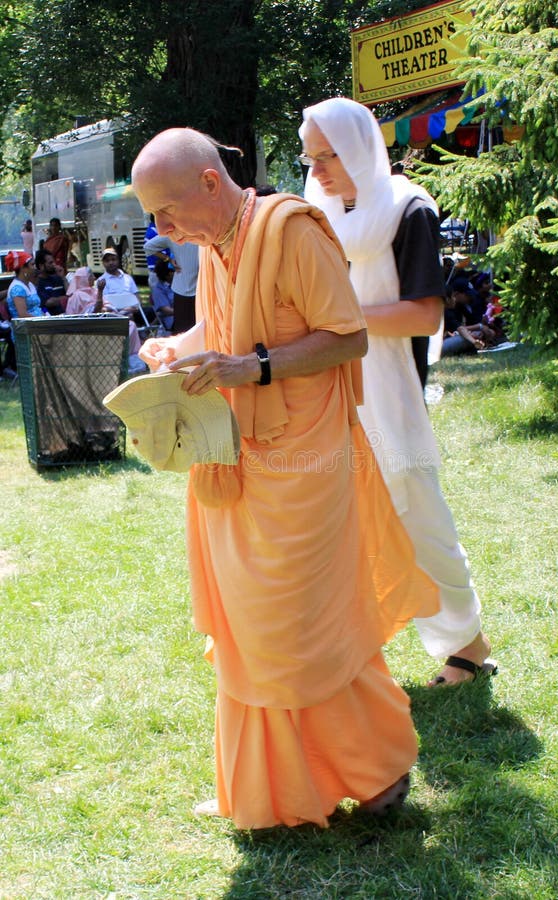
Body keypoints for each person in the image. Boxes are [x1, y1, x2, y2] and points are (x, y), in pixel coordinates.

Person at [130, 127, 440, 830]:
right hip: (235, 458)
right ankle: (270, 792)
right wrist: (173, 350)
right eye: (153, 214)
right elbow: (222, 332)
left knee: (303, 626)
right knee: (251, 626)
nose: (161, 228)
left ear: (211, 183)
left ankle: (379, 773)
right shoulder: (215, 248)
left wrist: (255, 368)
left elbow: (349, 336)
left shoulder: (292, 231)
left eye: (167, 209)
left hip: (306, 462)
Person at [300, 98, 494, 687]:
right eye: (311, 157)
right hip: (327, 385)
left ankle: (468, 645)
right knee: (337, 526)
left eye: (330, 155)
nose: (321, 169)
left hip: (391, 389)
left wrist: (339, 317)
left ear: (359, 145)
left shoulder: (409, 209)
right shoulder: (313, 211)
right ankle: (351, 654)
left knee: (416, 520)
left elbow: (424, 315)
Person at [65, 266, 143, 363]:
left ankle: (127, 359)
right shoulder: (77, 296)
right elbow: (93, 313)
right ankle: (115, 359)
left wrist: (107, 309)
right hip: (89, 328)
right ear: (86, 279)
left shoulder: (94, 291)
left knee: (130, 325)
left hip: (104, 321)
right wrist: (101, 292)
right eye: (91, 276)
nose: (94, 278)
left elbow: (107, 306)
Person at [143, 231, 198, 333]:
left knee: (184, 332)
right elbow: (148, 247)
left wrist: (168, 259)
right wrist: (168, 259)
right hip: (192, 289)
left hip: (185, 288)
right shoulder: (201, 233)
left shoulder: (172, 234)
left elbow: (148, 247)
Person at [96, 247, 140, 316]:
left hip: (131, 312)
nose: (111, 263)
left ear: (118, 260)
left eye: (113, 259)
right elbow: (103, 304)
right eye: (107, 261)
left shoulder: (128, 278)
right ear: (103, 263)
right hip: (112, 315)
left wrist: (127, 309)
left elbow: (137, 299)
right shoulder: (100, 281)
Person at [5, 251, 40, 319]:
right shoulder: (17, 288)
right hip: (26, 327)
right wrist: (43, 321)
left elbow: (38, 307)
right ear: (23, 268)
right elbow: (23, 315)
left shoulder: (30, 285)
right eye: (32, 265)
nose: (35, 268)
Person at [35, 249, 67, 315]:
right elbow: (49, 302)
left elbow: (70, 294)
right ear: (41, 266)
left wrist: (63, 278)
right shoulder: (38, 283)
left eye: (54, 262)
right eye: (50, 263)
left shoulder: (58, 278)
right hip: (52, 317)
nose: (54, 265)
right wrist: (66, 298)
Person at [150, 258, 174, 332]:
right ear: (168, 274)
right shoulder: (158, 290)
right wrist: (185, 311)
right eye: (174, 271)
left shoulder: (179, 285)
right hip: (172, 321)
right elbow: (167, 310)